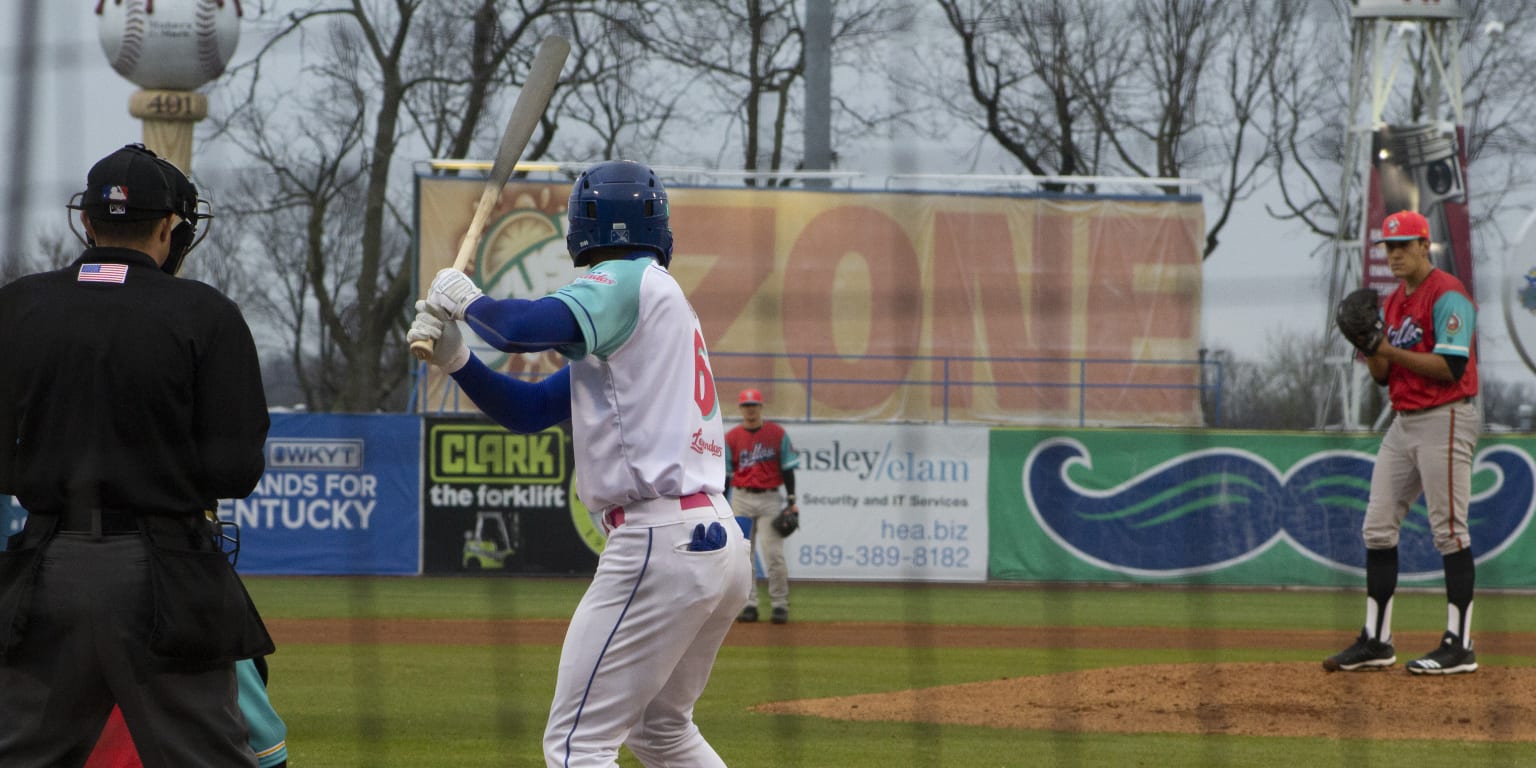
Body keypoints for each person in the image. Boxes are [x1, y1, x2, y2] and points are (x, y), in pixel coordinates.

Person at [408, 159, 751, 767]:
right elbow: (530, 409)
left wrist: (467, 300)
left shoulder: (627, 279)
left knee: (577, 746)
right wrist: (458, 361)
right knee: (663, 734)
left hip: (660, 541)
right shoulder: (644, 312)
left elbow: (520, 330)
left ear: (580, 230)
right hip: (713, 541)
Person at [0, 143, 272, 765]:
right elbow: (235, 470)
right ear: (170, 227)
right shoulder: (206, 312)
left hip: (43, 566)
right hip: (163, 574)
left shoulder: (16, 305)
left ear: (86, 221)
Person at [1323, 209, 1482, 676]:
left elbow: (1451, 367)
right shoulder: (1391, 304)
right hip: (1403, 420)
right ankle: (1377, 640)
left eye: (1402, 245)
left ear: (1424, 246)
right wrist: (1369, 346)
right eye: (1388, 247)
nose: (1393, 254)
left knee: (1449, 531)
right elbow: (1381, 376)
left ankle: (1460, 645)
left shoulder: (1449, 294)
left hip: (1446, 416)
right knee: (1377, 527)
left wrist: (1387, 348)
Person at [725, 388, 803, 625]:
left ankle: (780, 605)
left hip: (770, 499)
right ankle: (749, 605)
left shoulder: (776, 434)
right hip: (741, 497)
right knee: (743, 557)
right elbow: (726, 475)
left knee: (774, 555)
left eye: (754, 405)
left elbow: (788, 469)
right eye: (746, 405)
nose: (750, 409)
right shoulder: (731, 438)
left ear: (760, 407)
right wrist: (722, 503)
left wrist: (791, 500)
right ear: (741, 408)